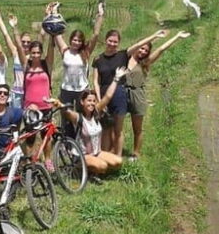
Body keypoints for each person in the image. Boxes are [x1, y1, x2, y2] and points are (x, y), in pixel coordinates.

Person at [92, 28, 168, 156]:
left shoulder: (123, 55)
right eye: (110, 41)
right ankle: (106, 155)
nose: (112, 44)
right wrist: (99, 101)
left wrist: (154, 35)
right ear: (105, 41)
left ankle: (117, 157)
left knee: (118, 129)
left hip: (119, 95)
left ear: (119, 43)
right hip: (104, 96)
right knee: (106, 128)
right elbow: (95, 82)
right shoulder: (98, 59)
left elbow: (139, 45)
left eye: (115, 42)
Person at [126, 30, 191, 161]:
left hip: (137, 94)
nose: (143, 51)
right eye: (141, 48)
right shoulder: (126, 58)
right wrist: (154, 35)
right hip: (122, 93)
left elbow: (161, 49)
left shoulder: (145, 63)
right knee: (117, 126)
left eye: (146, 50)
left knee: (137, 128)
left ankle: (136, 154)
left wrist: (177, 36)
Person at [56, 66, 127, 181]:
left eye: (94, 101)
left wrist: (116, 79)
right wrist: (59, 104)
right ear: (82, 102)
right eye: (89, 101)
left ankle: (95, 169)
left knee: (118, 162)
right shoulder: (78, 117)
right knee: (103, 166)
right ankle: (80, 169)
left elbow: (107, 97)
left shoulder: (96, 114)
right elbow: (67, 112)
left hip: (96, 152)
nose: (92, 104)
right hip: (81, 155)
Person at [54, 2, 104, 107]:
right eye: (74, 40)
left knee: (82, 118)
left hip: (82, 90)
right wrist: (54, 12)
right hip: (66, 90)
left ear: (82, 42)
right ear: (71, 40)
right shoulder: (65, 51)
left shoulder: (85, 52)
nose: (76, 43)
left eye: (79, 41)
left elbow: (95, 34)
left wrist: (100, 15)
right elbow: (57, 34)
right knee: (66, 117)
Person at [0, 3, 25, 108]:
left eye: (28, 42)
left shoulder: (34, 56)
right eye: (23, 42)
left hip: (29, 92)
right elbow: (6, 35)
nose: (25, 44)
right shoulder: (16, 53)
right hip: (17, 92)